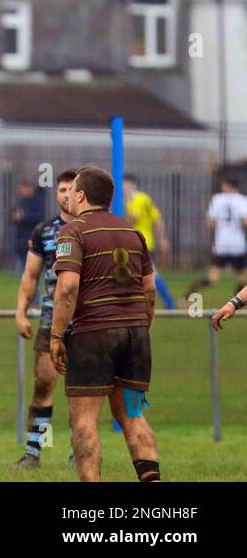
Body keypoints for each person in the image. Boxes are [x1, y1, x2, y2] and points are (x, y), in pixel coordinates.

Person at [50, 166, 159, 483]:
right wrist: (141, 329)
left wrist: (57, 336)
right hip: (135, 335)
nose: (66, 196)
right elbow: (149, 291)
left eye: (70, 191)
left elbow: (68, 288)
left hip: (93, 336)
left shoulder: (73, 232)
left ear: (81, 195)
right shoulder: (133, 232)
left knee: (83, 420)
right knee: (133, 415)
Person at [13, 168, 75, 468]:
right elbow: (30, 275)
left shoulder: (95, 229)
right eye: (61, 190)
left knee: (82, 393)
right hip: (51, 322)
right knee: (43, 384)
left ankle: (80, 453)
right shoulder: (44, 231)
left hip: (88, 324)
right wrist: (21, 312)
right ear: (57, 194)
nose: (66, 195)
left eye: (71, 189)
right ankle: (33, 454)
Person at [185, 176, 247, 303]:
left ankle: (187, 298)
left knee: (212, 278)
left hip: (221, 244)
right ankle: (238, 304)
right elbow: (245, 222)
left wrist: (220, 229)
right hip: (238, 244)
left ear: (228, 185)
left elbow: (210, 222)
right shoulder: (242, 200)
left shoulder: (217, 199)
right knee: (242, 278)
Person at [123, 175, 176, 309]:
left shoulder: (135, 200)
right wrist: (162, 239)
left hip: (137, 243)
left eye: (124, 184)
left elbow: (133, 219)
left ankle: (170, 303)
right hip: (145, 243)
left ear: (131, 184)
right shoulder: (145, 198)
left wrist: (123, 209)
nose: (122, 187)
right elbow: (157, 219)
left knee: (149, 274)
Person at [10, 180, 46, 274]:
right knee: (21, 272)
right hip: (21, 241)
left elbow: (39, 217)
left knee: (32, 272)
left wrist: (23, 216)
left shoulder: (37, 200)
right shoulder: (21, 201)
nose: (20, 192)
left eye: (22, 189)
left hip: (32, 240)